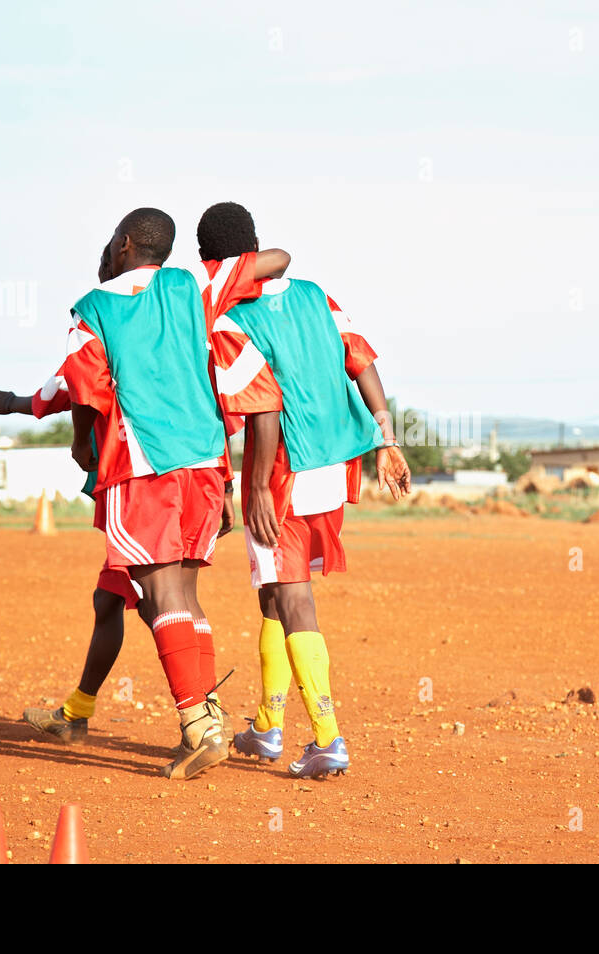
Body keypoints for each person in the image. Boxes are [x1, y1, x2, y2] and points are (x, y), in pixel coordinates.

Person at [201, 201, 411, 778]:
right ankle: (269, 726)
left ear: (211, 261)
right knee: (273, 590)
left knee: (291, 595)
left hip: (282, 471)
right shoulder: (318, 294)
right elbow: (361, 361)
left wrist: (259, 490)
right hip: (336, 462)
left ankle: (327, 737)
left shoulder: (228, 320)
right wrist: (387, 439)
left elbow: (263, 409)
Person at [60, 207, 269, 780]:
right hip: (205, 461)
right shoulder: (190, 285)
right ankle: (210, 714)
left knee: (158, 594)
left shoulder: (95, 307)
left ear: (125, 244)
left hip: (144, 461)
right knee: (184, 594)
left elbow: (86, 384)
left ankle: (199, 729)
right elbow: (269, 262)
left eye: (108, 242)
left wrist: (81, 443)